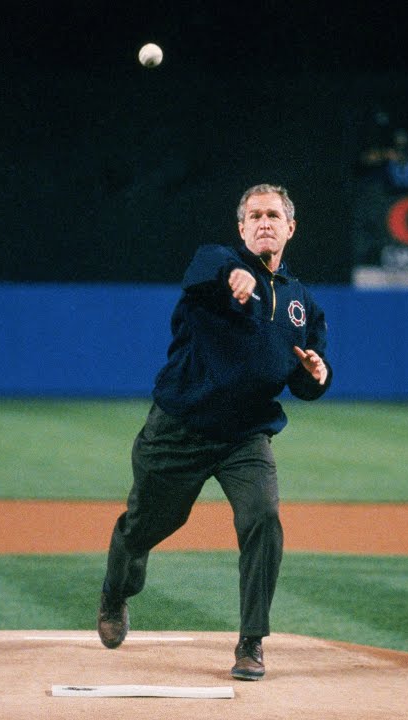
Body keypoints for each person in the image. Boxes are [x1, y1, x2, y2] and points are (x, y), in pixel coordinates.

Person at [97, 183, 332, 681]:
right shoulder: (218, 269)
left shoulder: (300, 303)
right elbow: (204, 266)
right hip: (180, 429)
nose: (264, 222)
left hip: (246, 436)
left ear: (290, 228)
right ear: (242, 228)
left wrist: (317, 376)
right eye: (255, 215)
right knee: (147, 526)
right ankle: (116, 590)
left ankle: (251, 643)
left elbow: (302, 374)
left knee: (262, 517)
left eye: (274, 215)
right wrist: (235, 273)